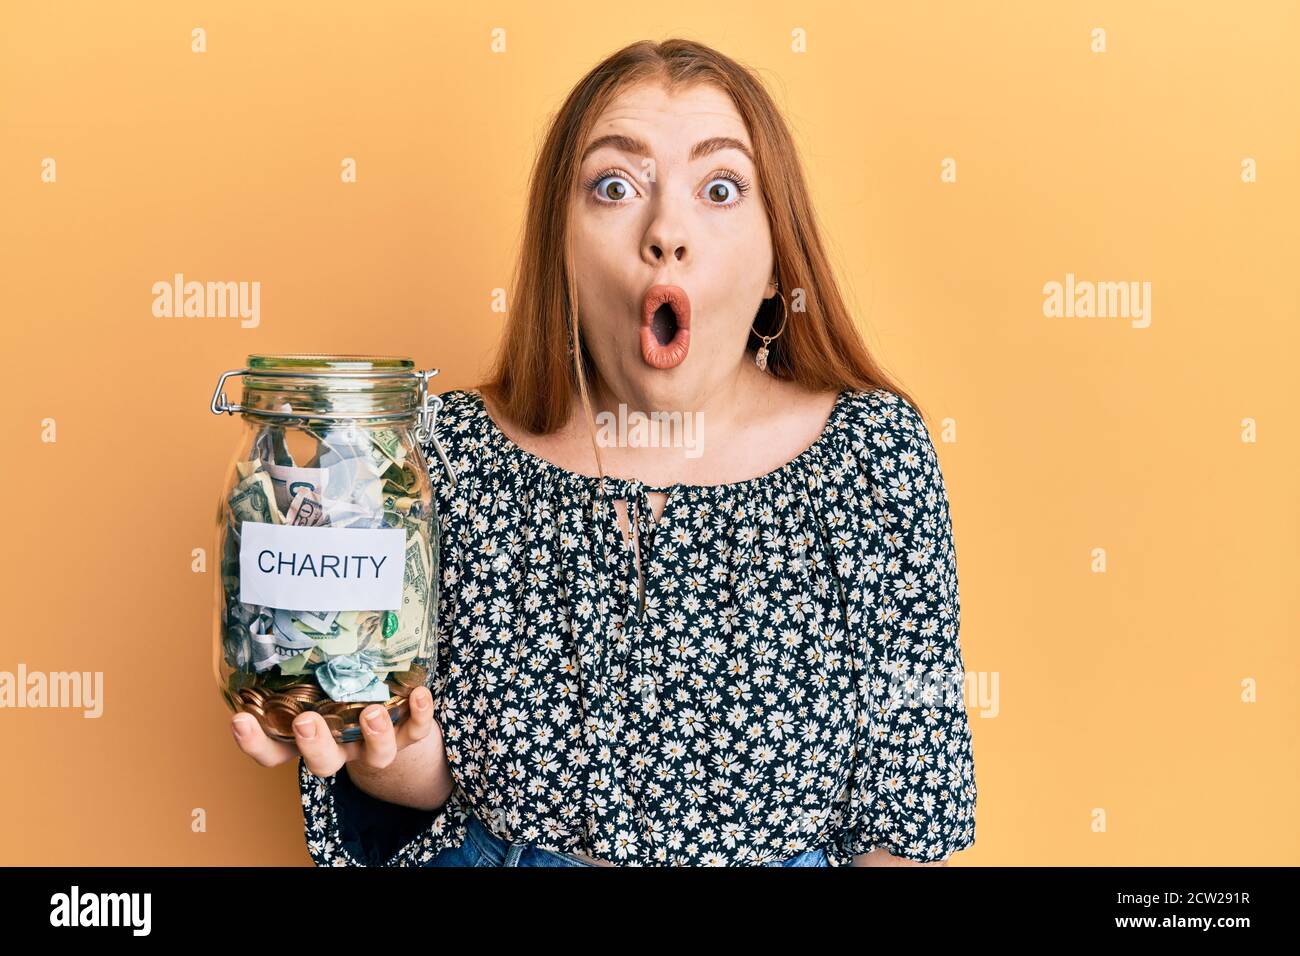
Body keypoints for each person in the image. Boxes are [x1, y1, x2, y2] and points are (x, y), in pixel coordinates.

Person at [231, 38, 977, 868]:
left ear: (777, 263)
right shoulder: (434, 456)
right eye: (615, 187)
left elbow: (905, 821)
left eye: (721, 188)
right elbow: (424, 780)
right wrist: (378, 753)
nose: (666, 232)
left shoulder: (874, 459)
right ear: (562, 252)